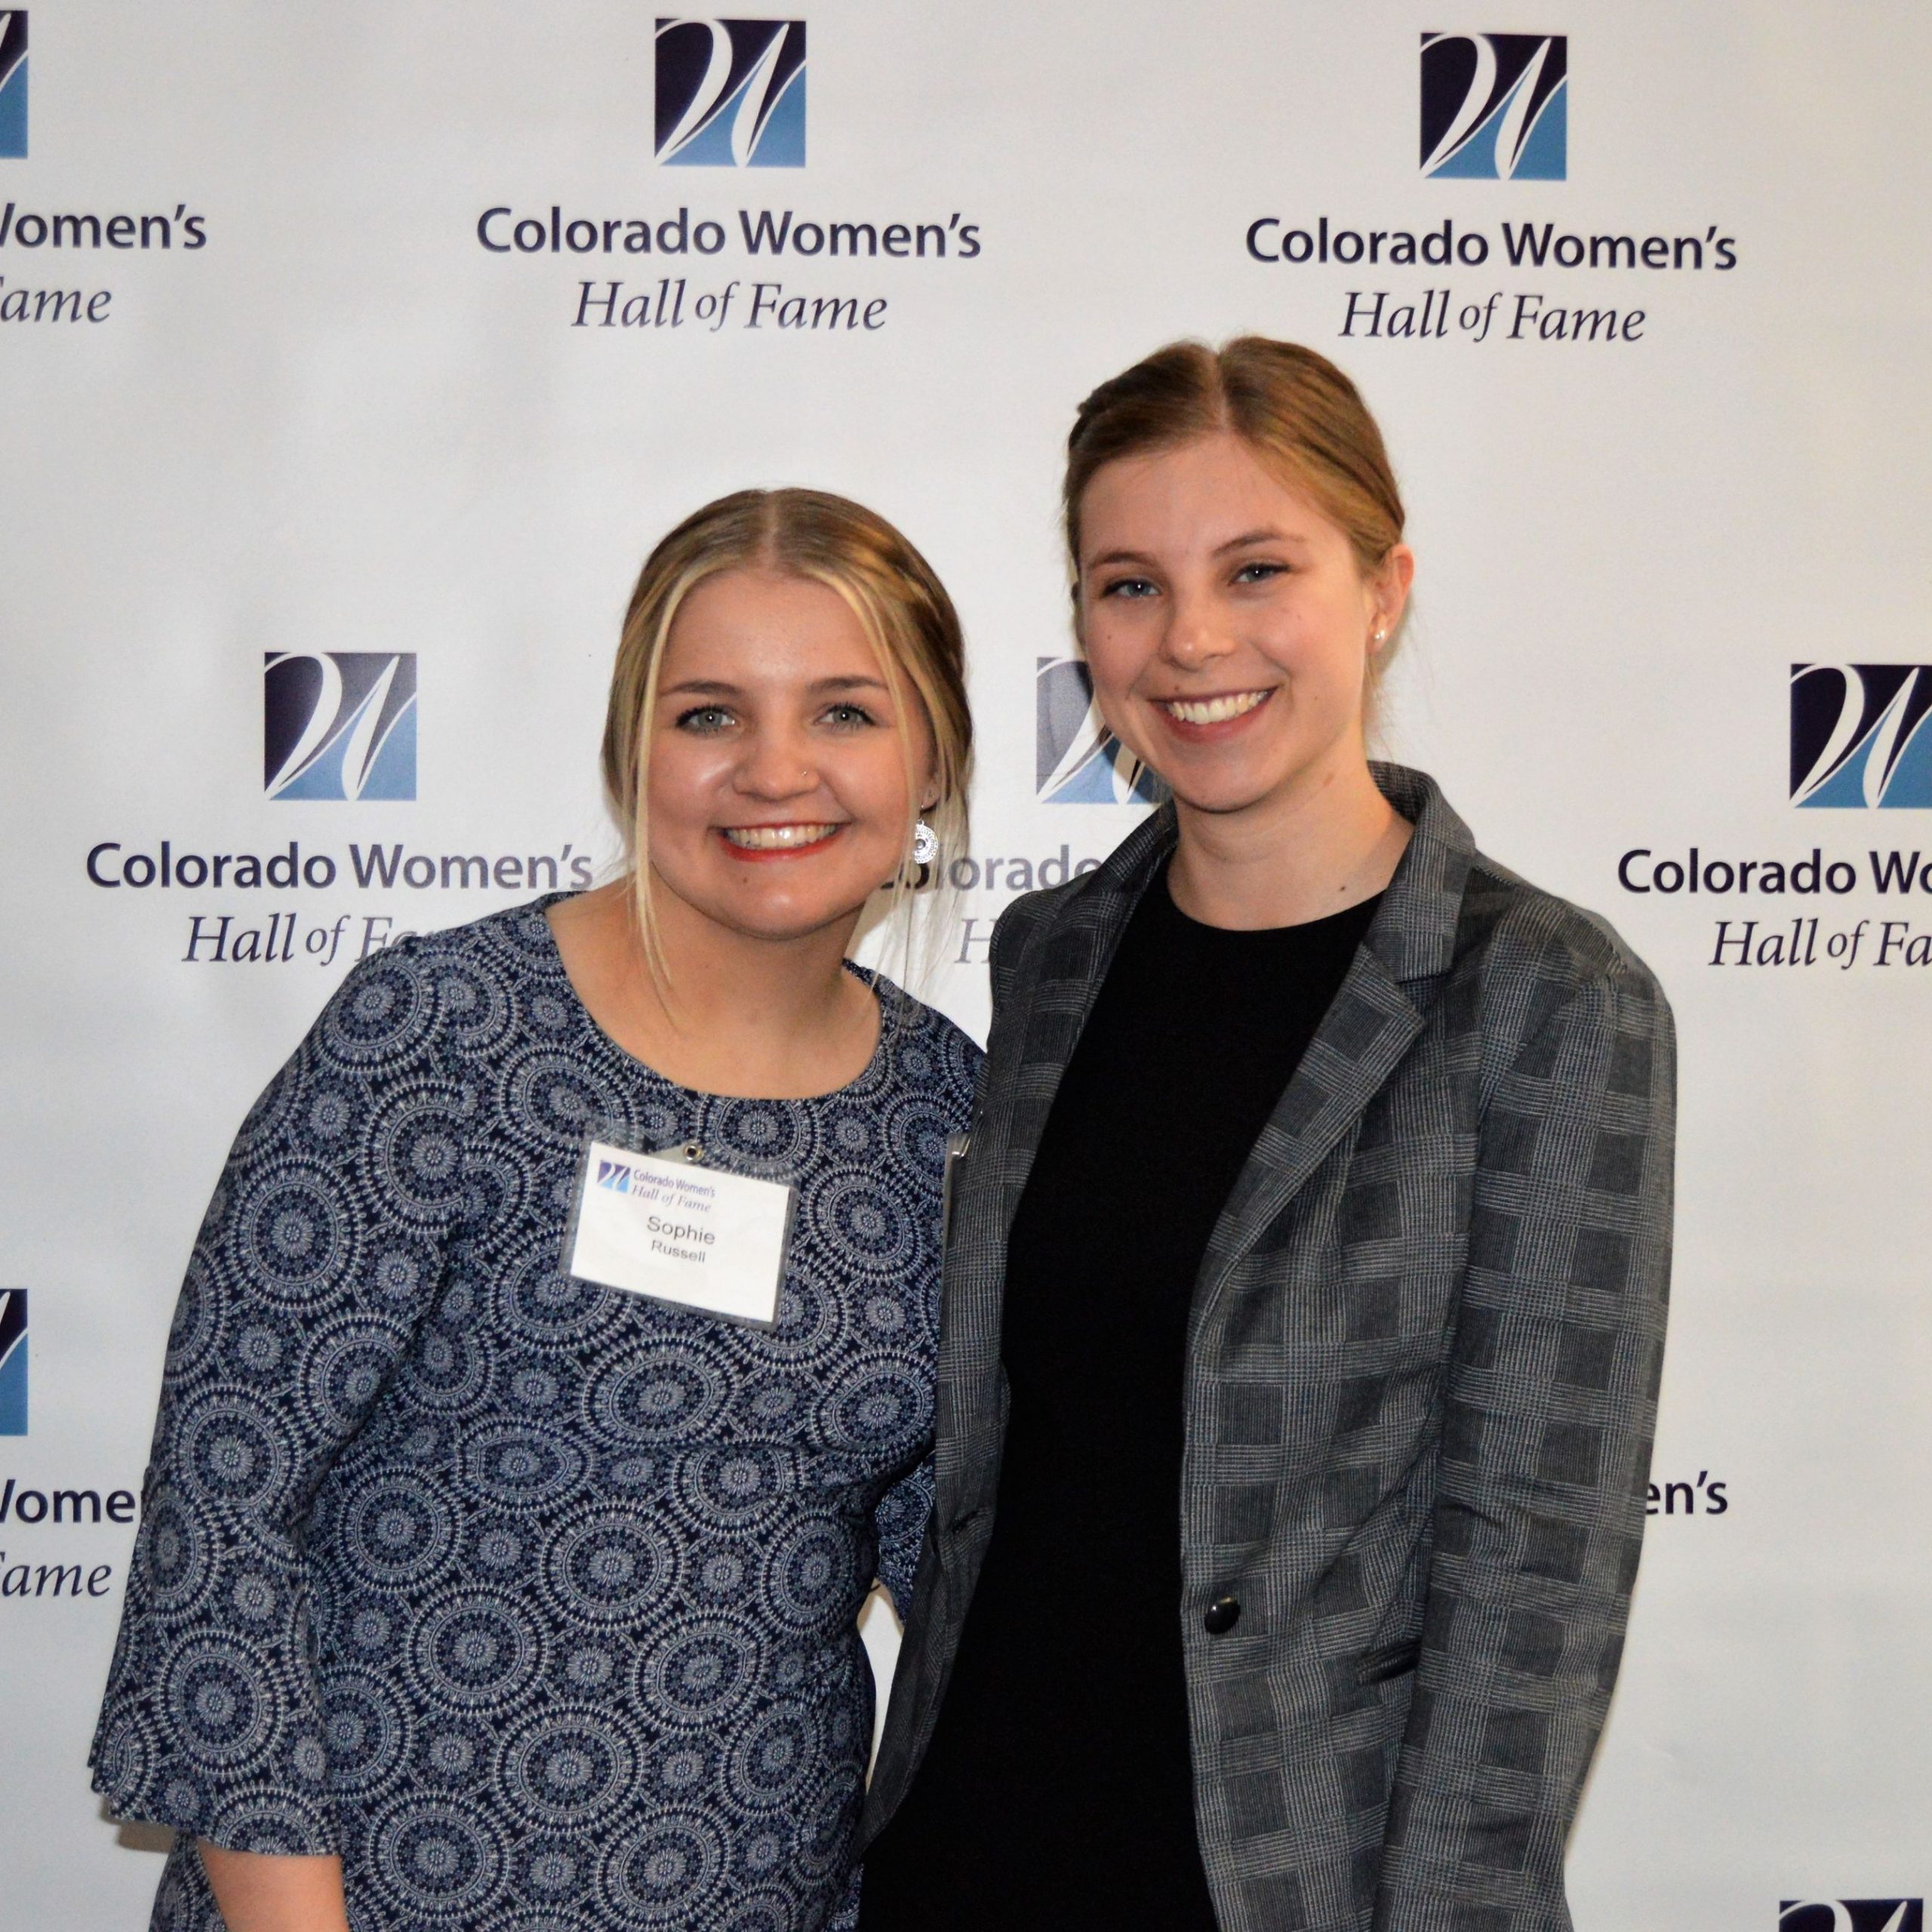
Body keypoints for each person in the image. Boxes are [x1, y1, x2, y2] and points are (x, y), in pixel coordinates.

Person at [856, 339, 1675, 1931]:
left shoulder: (1546, 1000)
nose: (1190, 640)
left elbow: (1529, 1564)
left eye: (1254, 568)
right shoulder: (1050, 958)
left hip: (1284, 1880)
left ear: (1383, 585)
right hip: (969, 1848)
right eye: (1127, 584)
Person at [91, 488, 980, 1932]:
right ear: (635, 746)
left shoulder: (949, 1113)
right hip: (379, 1899)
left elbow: (967, 1564)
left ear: (931, 758)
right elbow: (225, 1514)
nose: (773, 771)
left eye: (844, 713)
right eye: (708, 716)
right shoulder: (440, 1032)